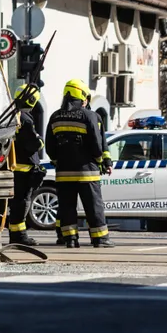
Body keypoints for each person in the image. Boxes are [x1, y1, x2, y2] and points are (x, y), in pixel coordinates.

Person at [45, 78, 114, 249]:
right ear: (83, 96)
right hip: (87, 172)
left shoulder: (55, 117)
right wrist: (100, 161)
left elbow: (49, 147)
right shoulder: (89, 116)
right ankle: (100, 239)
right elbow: (97, 145)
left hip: (63, 173)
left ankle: (70, 239)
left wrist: (58, 161)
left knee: (67, 208)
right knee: (93, 206)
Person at [8, 84, 46, 246]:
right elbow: (34, 144)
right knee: (22, 202)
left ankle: (17, 234)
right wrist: (40, 141)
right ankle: (19, 236)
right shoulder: (24, 119)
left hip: (14, 168)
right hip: (24, 169)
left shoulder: (11, 115)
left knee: (18, 202)